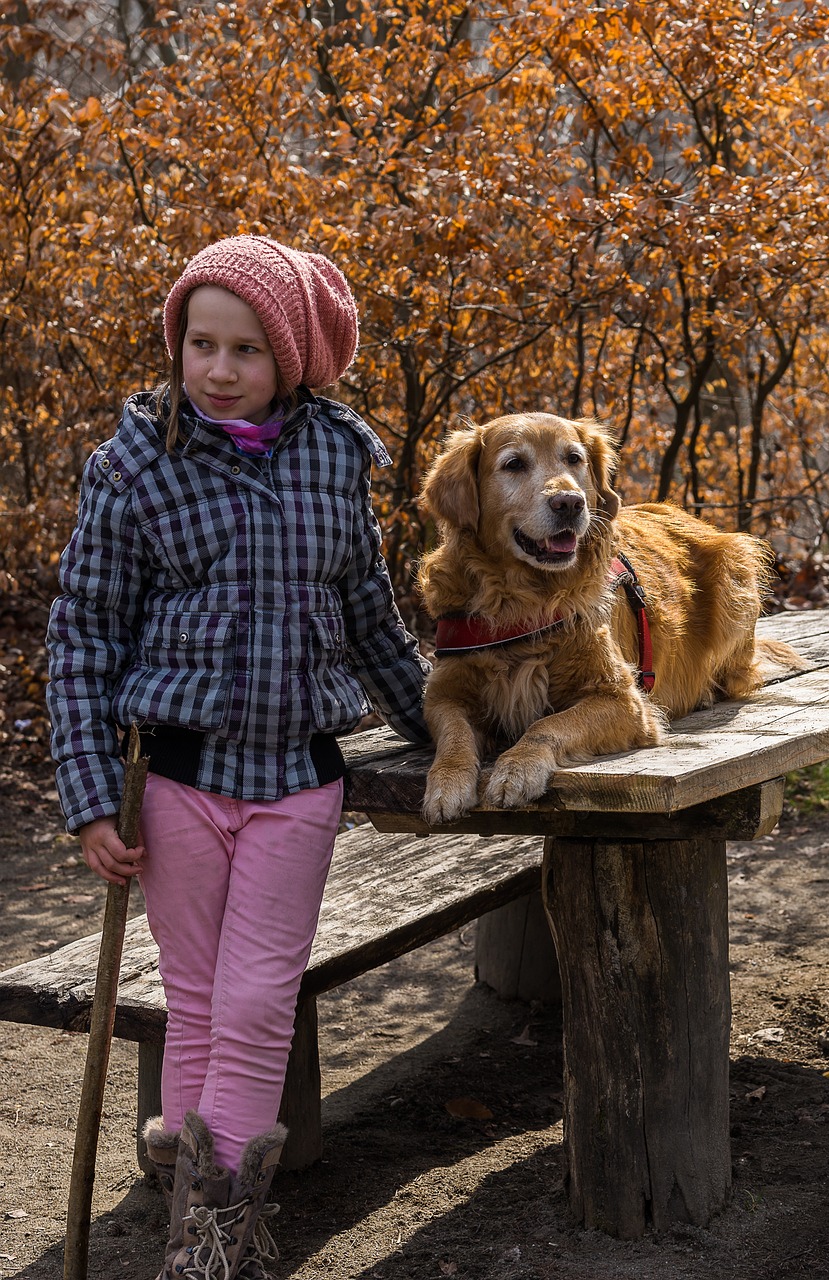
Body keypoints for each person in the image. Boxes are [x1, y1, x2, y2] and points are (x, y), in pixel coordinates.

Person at [46, 235, 431, 1280]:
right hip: (172, 778)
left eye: (247, 350)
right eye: (200, 344)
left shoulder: (335, 460)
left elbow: (374, 624)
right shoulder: (134, 466)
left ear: (294, 358)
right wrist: (90, 796)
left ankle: (207, 1241)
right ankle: (203, 1225)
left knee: (260, 997)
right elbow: (82, 634)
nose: (217, 369)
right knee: (200, 997)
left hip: (296, 781)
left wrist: (452, 735)